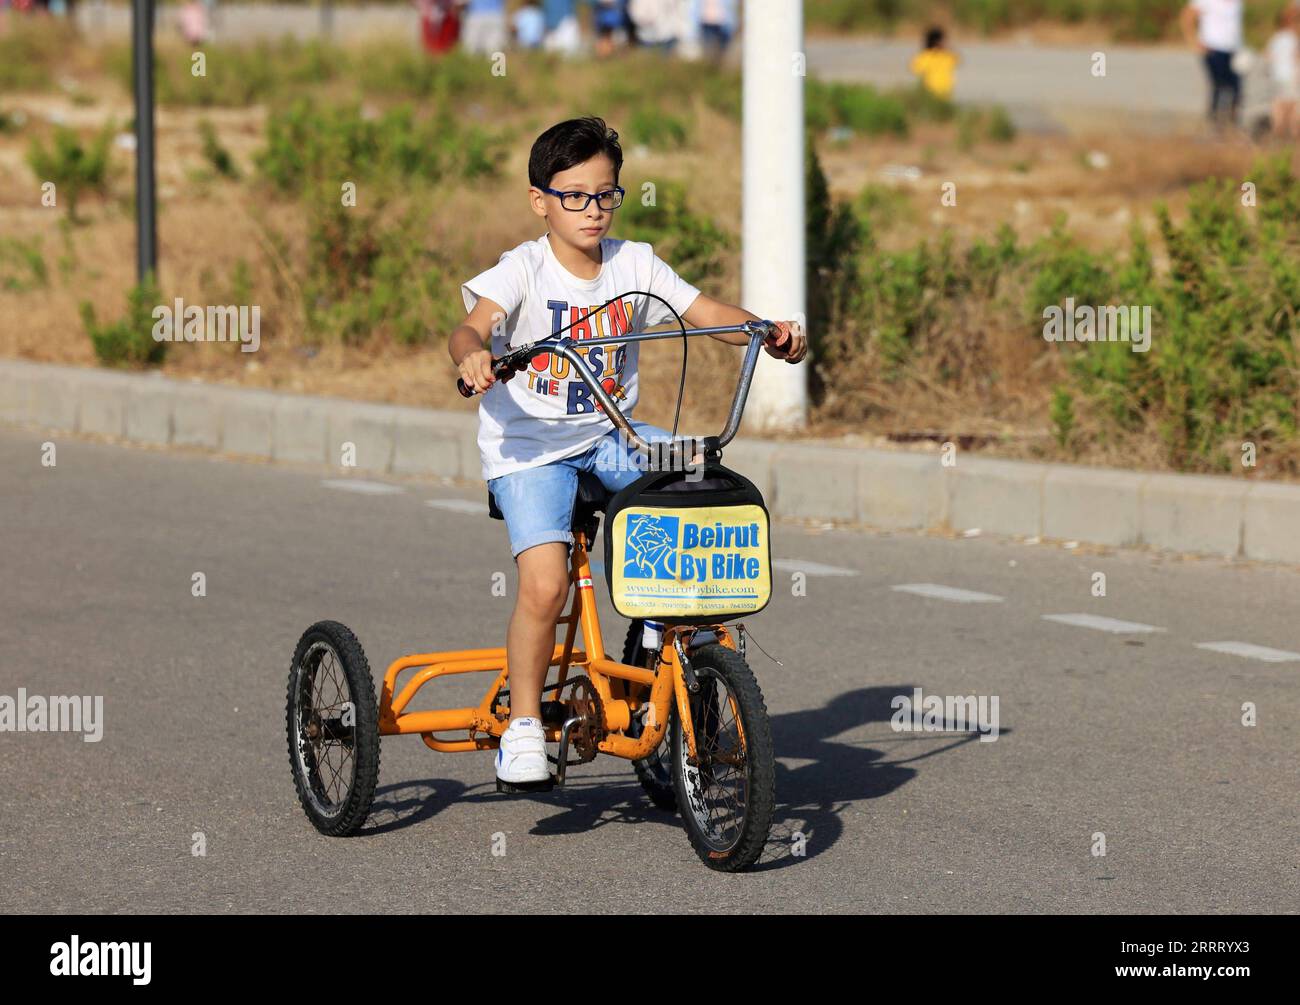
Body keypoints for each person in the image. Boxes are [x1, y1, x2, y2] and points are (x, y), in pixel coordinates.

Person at [450, 117, 805, 786]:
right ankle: (525, 724)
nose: (592, 210)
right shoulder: (523, 269)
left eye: (605, 194)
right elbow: (473, 324)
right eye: (574, 195)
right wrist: (472, 354)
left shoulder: (634, 263)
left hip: (614, 439)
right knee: (547, 583)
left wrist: (765, 331)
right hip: (530, 451)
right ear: (540, 200)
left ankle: (662, 645)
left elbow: (705, 313)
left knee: (701, 483)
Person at [1181, 0, 1245, 127]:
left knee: (1237, 89)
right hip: (1213, 48)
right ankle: (1215, 125)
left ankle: (1232, 126)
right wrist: (1193, 40)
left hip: (1234, 50)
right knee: (1219, 86)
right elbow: (1187, 16)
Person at [1267, 5, 1300, 138]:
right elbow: (1296, 57)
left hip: (1276, 76)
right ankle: (1294, 135)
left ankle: (1276, 133)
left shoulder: (1275, 38)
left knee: (1278, 105)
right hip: (1290, 76)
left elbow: (1268, 56)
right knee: (1293, 107)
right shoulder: (1294, 39)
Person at [909, 25, 958, 100]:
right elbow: (915, 69)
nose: (945, 42)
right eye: (942, 40)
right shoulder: (926, 56)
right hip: (931, 94)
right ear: (936, 41)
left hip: (945, 93)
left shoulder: (946, 55)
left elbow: (957, 60)